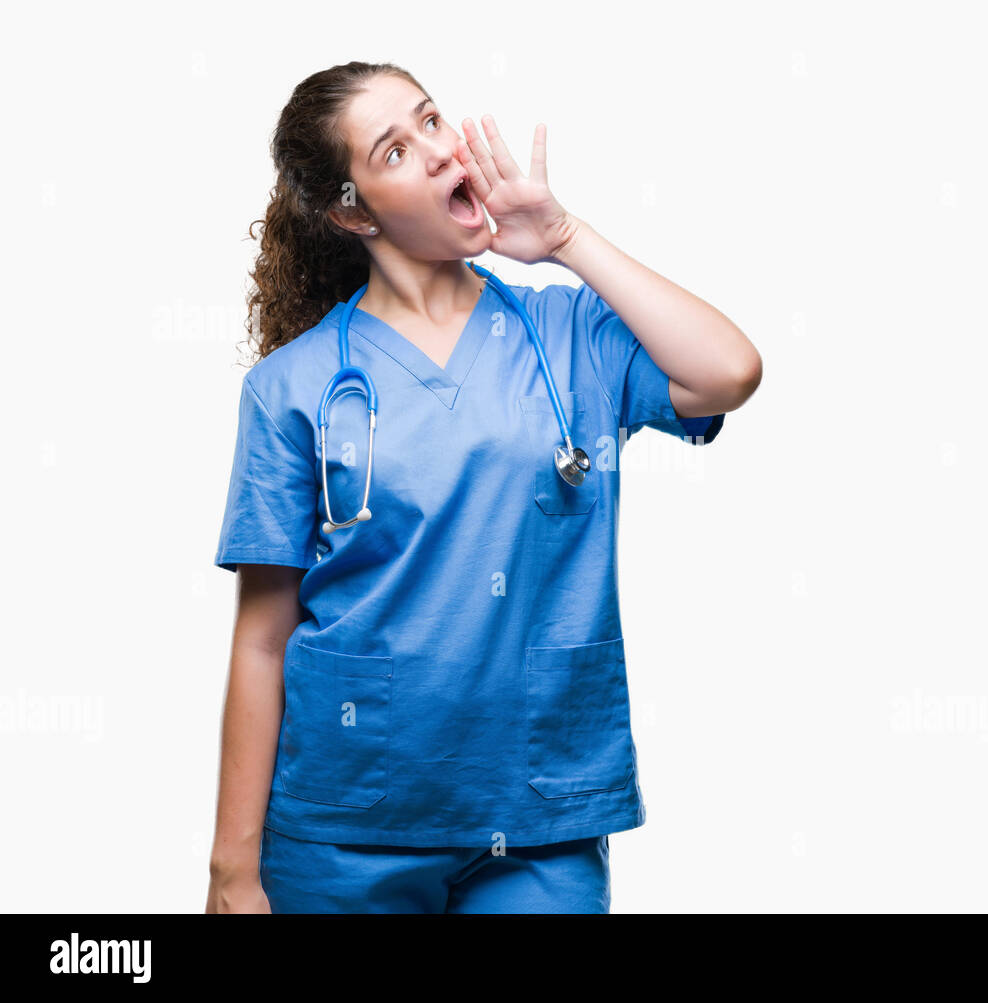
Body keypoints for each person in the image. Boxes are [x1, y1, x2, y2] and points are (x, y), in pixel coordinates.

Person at [203, 60, 761, 914]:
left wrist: (566, 237)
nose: (434, 151)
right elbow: (262, 640)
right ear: (350, 210)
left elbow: (728, 371)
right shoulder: (294, 386)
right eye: (393, 150)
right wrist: (232, 872)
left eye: (431, 120)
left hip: (537, 821)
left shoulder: (568, 332)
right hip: (347, 827)